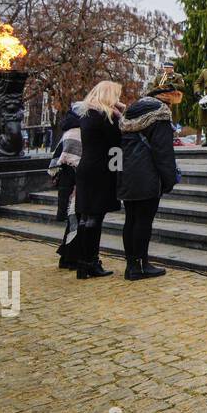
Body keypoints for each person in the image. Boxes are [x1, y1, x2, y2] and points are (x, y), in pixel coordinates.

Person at [117, 82, 181, 280]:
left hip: (127, 172)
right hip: (147, 174)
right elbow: (163, 151)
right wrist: (169, 179)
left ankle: (131, 264)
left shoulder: (130, 112)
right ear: (168, 97)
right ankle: (141, 265)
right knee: (144, 221)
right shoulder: (160, 114)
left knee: (131, 219)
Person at [72, 81, 126, 279]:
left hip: (86, 168)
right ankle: (91, 263)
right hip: (101, 170)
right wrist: (122, 114)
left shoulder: (87, 114)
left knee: (86, 217)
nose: (119, 99)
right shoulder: (107, 116)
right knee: (95, 217)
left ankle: (83, 262)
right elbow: (117, 143)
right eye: (117, 95)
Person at [49, 100, 84, 269]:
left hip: (69, 181)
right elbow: (72, 158)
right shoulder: (76, 131)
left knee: (75, 219)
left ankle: (67, 255)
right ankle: (70, 257)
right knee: (75, 218)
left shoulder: (70, 129)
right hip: (73, 182)